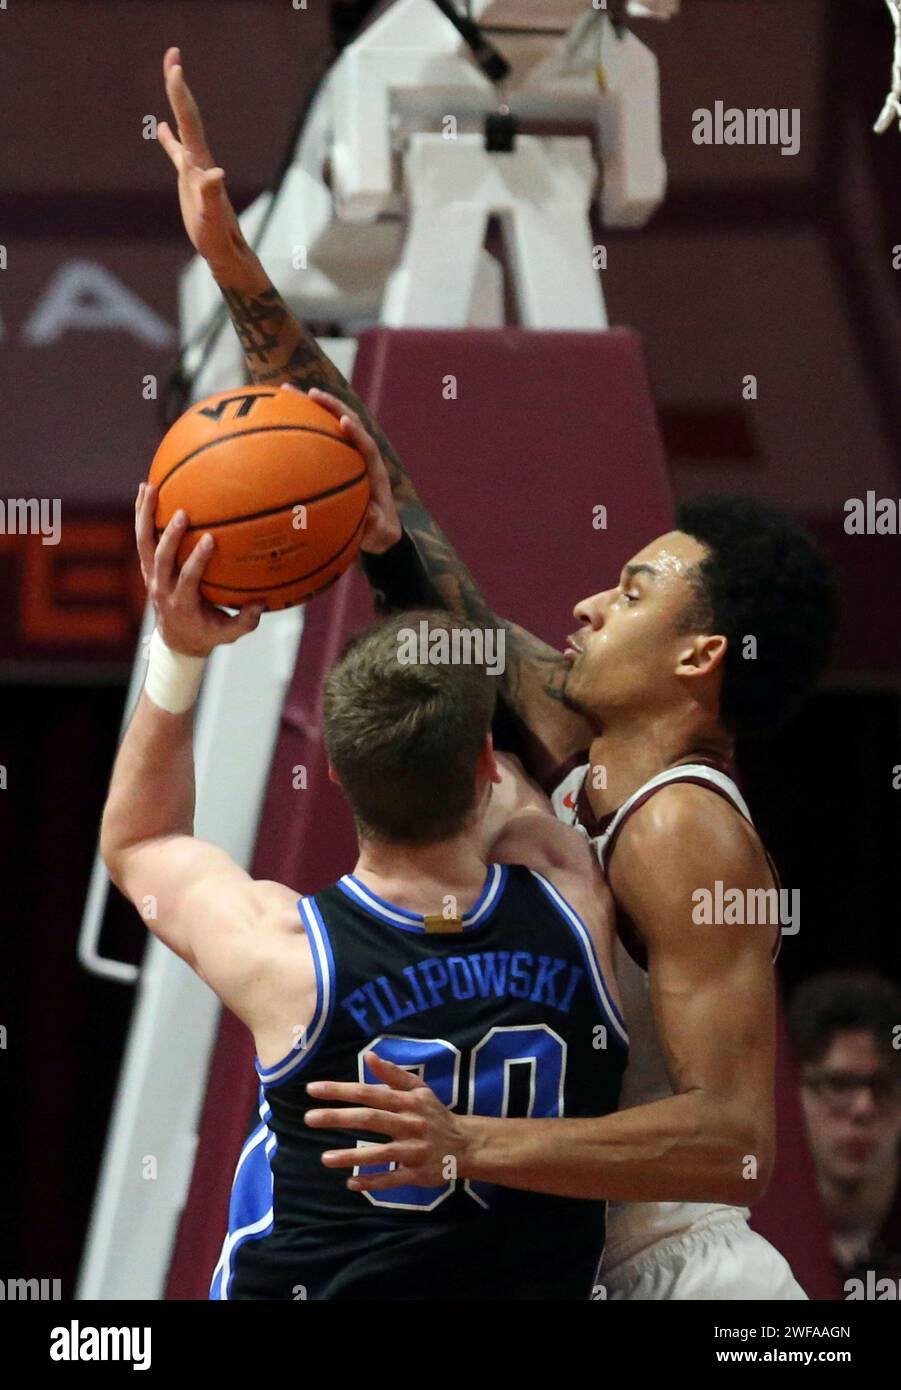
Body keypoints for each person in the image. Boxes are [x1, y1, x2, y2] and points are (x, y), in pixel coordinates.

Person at [156, 48, 837, 1299]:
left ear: (699, 655)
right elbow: (369, 476)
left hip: (694, 1273)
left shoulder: (685, 828)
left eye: (633, 592)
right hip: (580, 1262)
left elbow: (737, 1143)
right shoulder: (582, 751)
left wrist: (472, 1144)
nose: (587, 600)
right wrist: (232, 258)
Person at [100, 482, 627, 1300]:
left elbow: (142, 841)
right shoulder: (571, 892)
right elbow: (515, 758)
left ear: (336, 772)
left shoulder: (288, 956)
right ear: (485, 769)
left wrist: (180, 649)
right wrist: (393, 555)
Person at [789, 971, 901, 1285]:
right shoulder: (750, 1235)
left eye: (884, 1085)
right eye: (838, 1085)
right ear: (792, 1093)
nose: (863, 1108)